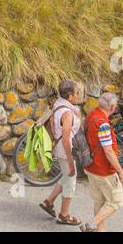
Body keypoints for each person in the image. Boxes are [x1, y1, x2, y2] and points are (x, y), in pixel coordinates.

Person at [38, 80, 83, 227]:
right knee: (71, 180)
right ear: (70, 96)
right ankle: (64, 215)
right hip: (66, 150)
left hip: (59, 148)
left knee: (65, 176)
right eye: (77, 93)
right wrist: (71, 161)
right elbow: (66, 138)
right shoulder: (67, 112)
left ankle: (48, 202)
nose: (79, 95)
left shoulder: (58, 104)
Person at [82, 91, 123, 232]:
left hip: (90, 167)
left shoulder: (91, 116)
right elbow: (108, 151)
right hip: (103, 170)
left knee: (100, 202)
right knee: (115, 202)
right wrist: (120, 171)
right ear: (112, 107)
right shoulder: (103, 125)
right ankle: (90, 224)